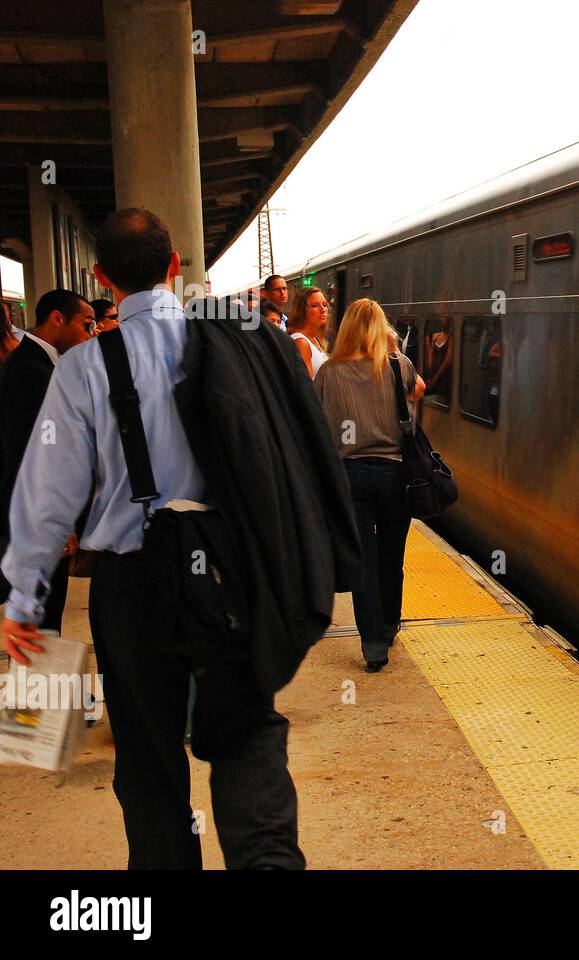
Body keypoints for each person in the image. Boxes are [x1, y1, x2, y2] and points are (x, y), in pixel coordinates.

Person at [0, 208, 337, 870]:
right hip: (227, 575)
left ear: (100, 277)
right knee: (245, 739)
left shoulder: (81, 370)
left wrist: (22, 599)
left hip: (131, 587)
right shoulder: (239, 346)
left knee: (150, 767)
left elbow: (47, 497)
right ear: (176, 265)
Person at [315, 299, 421, 671]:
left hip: (351, 476)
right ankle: (390, 623)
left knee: (363, 561)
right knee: (392, 555)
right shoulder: (397, 366)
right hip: (396, 475)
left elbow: (318, 426)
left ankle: (373, 643)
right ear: (381, 329)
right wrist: (393, 349)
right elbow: (418, 388)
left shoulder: (329, 372)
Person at [0, 289, 96, 627]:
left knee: (44, 621)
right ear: (57, 318)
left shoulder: (39, 364)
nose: (91, 333)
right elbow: (31, 453)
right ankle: (37, 680)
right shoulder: (31, 370)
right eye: (86, 324)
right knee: (41, 625)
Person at [288, 287, 330, 378]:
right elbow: (306, 386)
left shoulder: (314, 338)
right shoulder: (301, 342)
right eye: (315, 305)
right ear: (301, 310)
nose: (323, 310)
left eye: (324, 304)